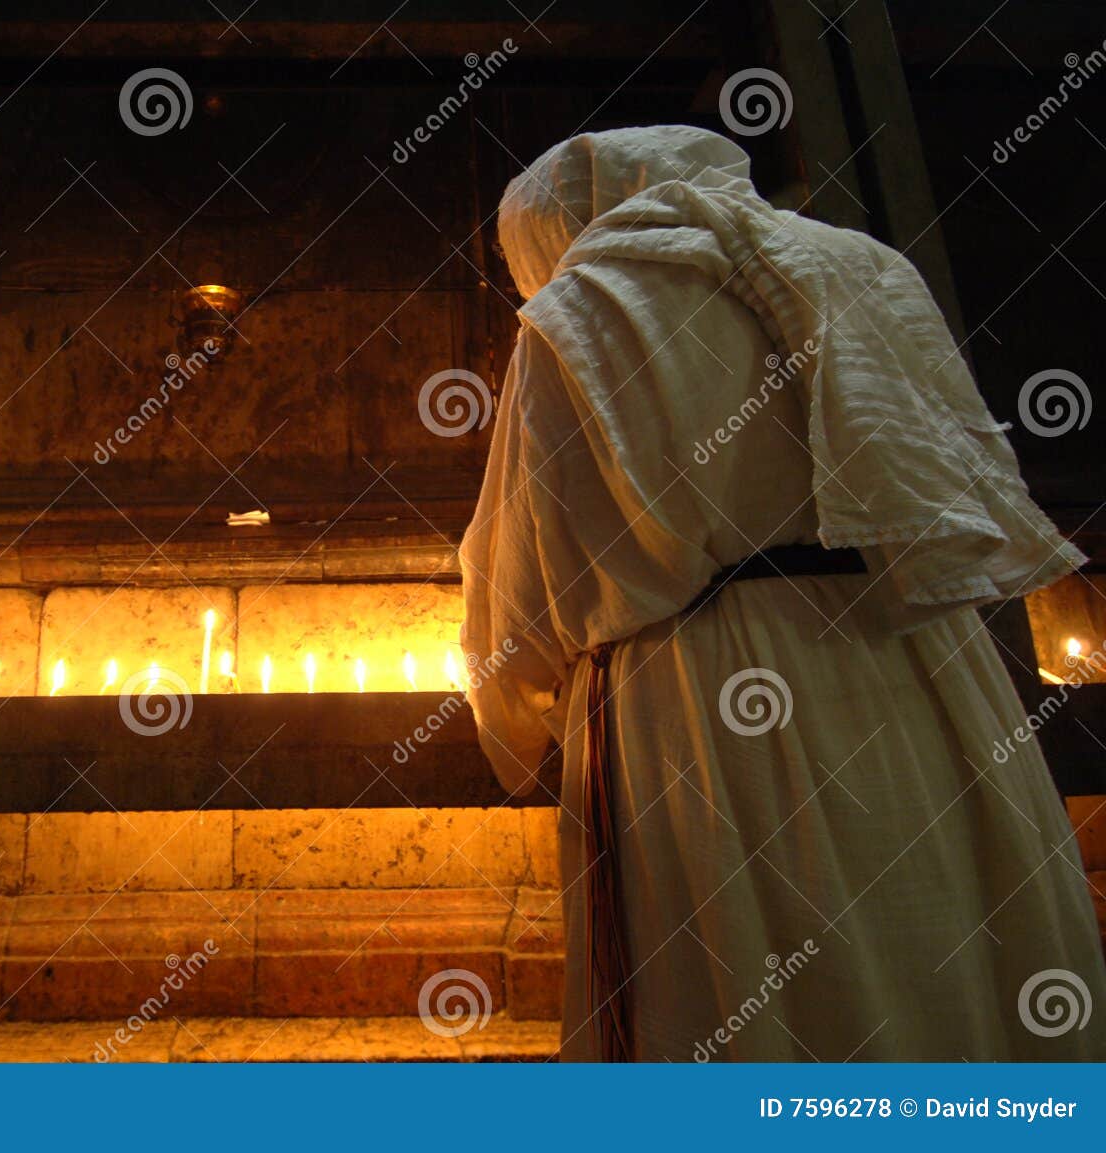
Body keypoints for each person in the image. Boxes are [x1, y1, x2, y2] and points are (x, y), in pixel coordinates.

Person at [460, 124, 1106, 1061]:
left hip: (706, 690)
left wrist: (512, 717)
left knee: (749, 975)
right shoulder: (861, 267)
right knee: (945, 930)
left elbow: (529, 565)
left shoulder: (578, 311)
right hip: (911, 646)